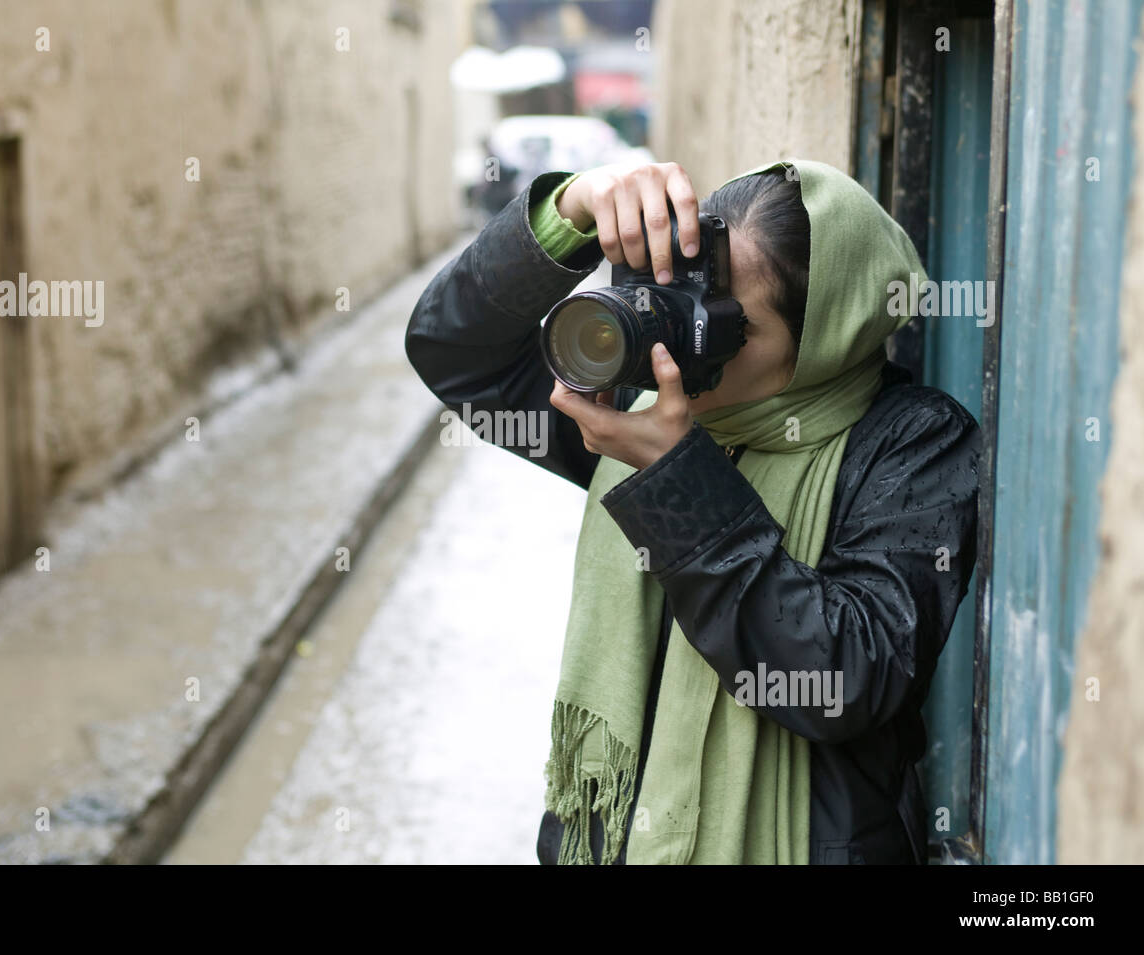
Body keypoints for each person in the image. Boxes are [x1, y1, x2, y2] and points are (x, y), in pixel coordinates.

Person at [404, 159, 981, 865]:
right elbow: (457, 354)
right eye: (678, 302)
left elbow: (845, 674)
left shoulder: (913, 441)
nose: (672, 350)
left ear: (826, 334)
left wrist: (679, 481)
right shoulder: (642, 410)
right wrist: (573, 210)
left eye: (723, 326)